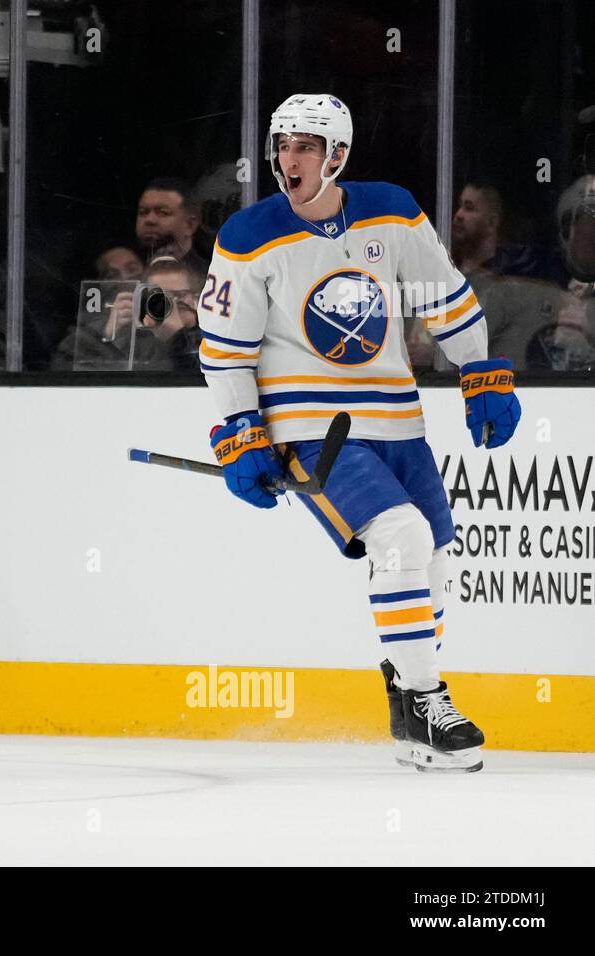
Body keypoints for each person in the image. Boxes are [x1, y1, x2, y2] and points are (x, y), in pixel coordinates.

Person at [197, 94, 520, 773]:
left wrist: (481, 371)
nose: (290, 157)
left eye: (306, 145)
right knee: (397, 537)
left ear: (337, 155)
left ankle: (407, 708)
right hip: (312, 427)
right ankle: (431, 699)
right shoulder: (249, 235)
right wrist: (241, 433)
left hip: (396, 415)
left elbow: (447, 298)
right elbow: (224, 349)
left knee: (434, 552)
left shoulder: (392, 210)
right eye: (283, 143)